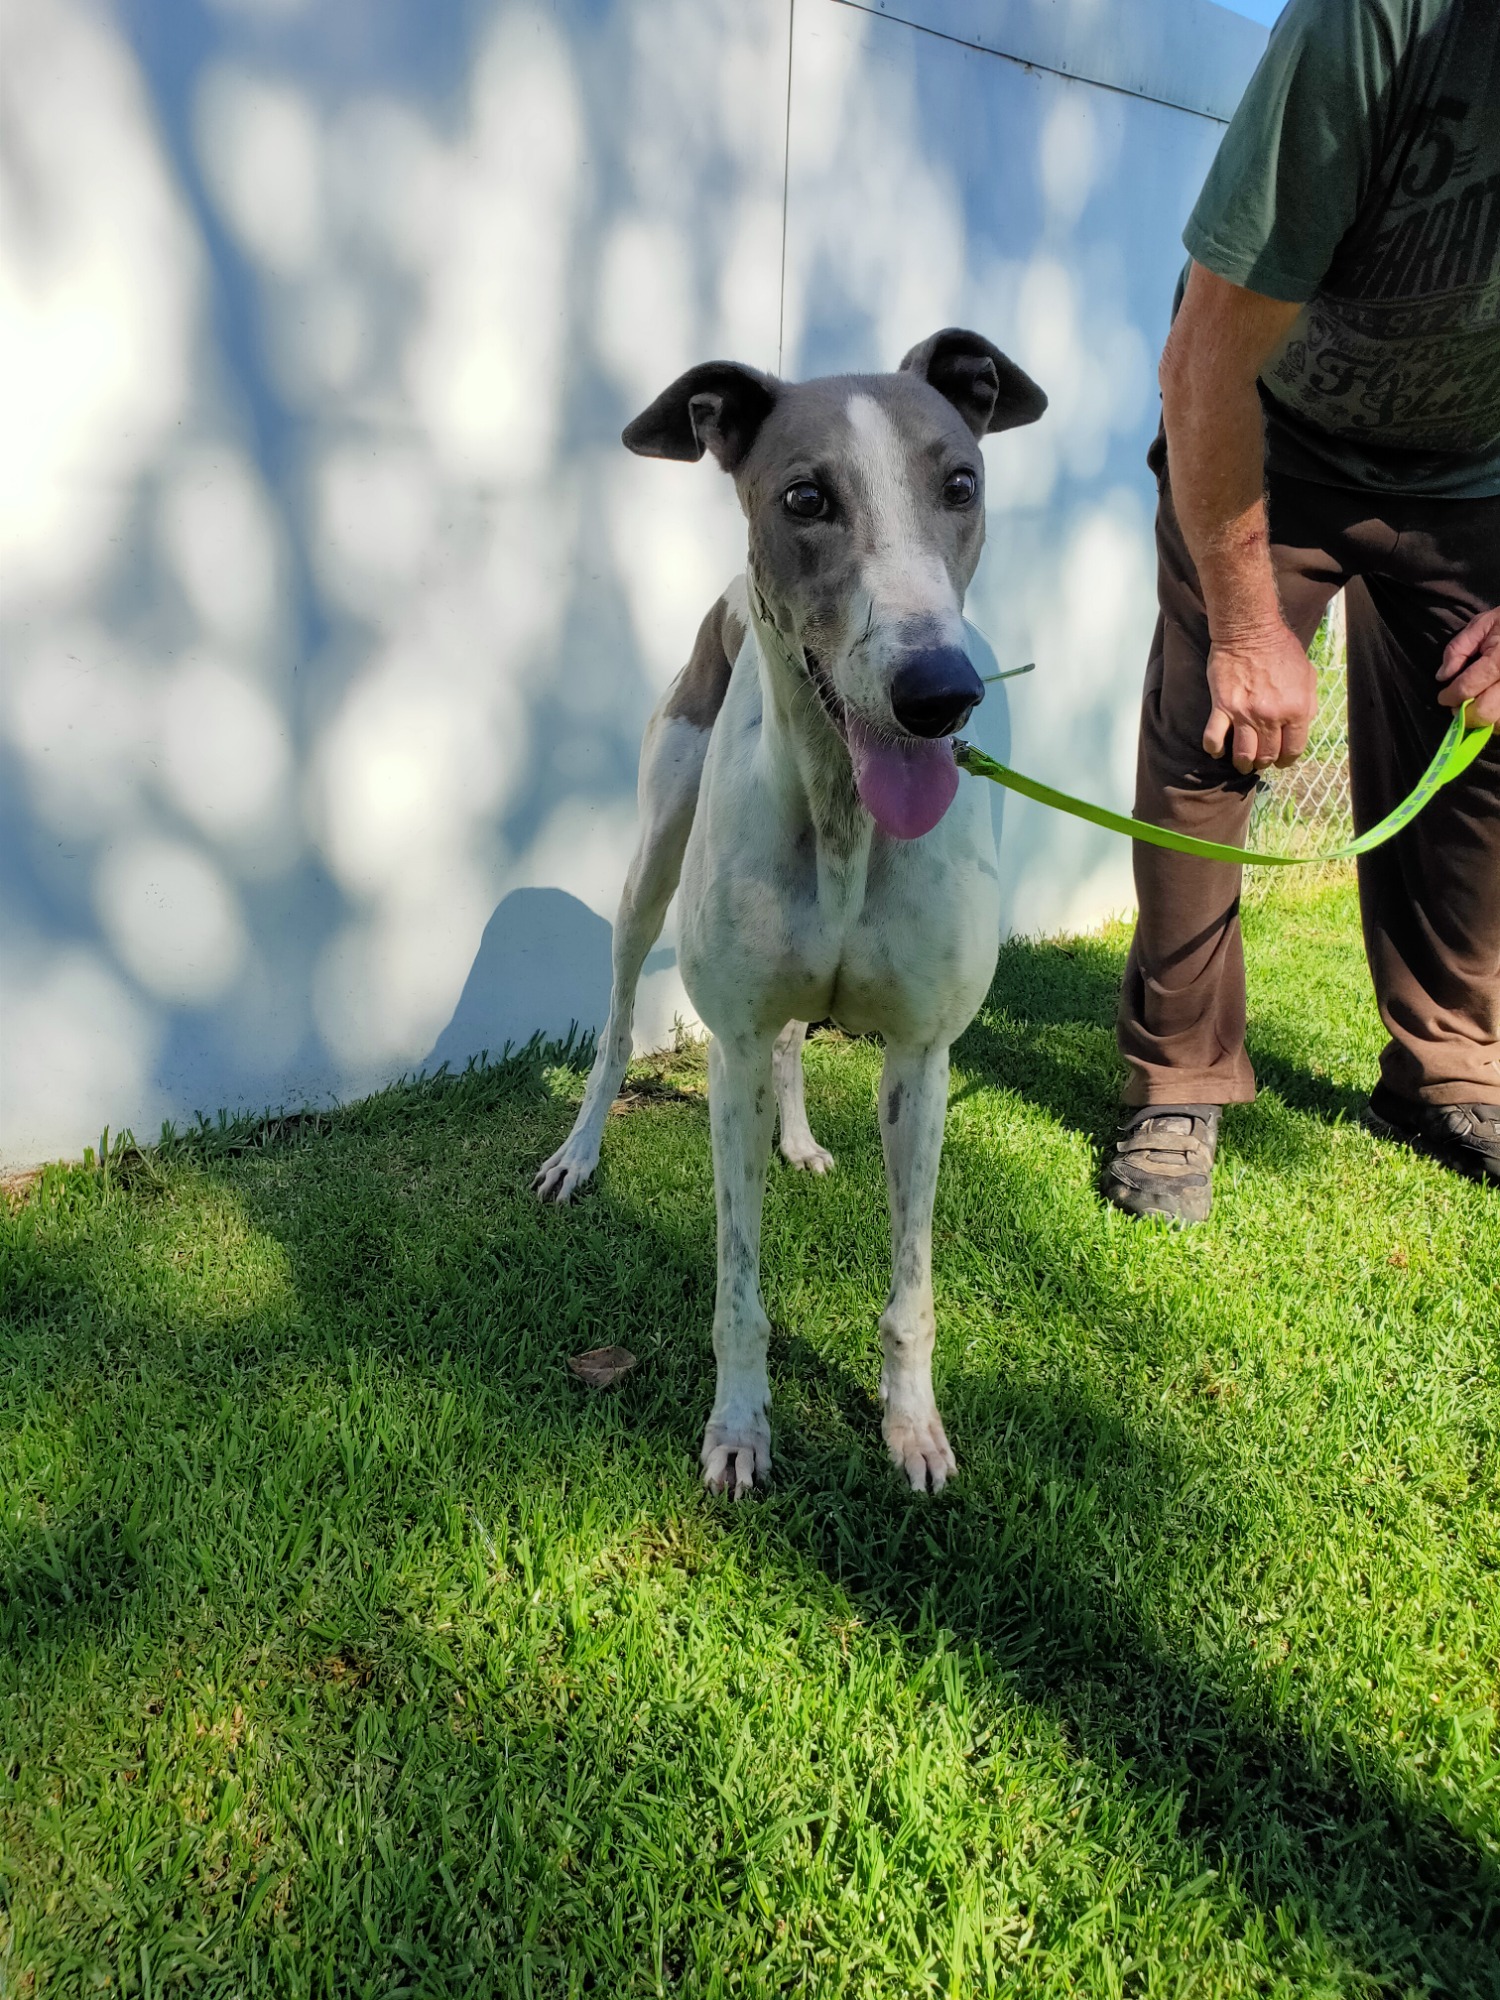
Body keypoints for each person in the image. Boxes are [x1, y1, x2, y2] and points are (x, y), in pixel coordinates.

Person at [1102, 0, 1500, 1223]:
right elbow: (1202, 363)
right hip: (1273, 420)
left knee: (1484, 740)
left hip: (1477, 463)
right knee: (1212, 737)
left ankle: (1449, 1067)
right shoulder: (1373, 23)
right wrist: (1241, 630)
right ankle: (1177, 1078)